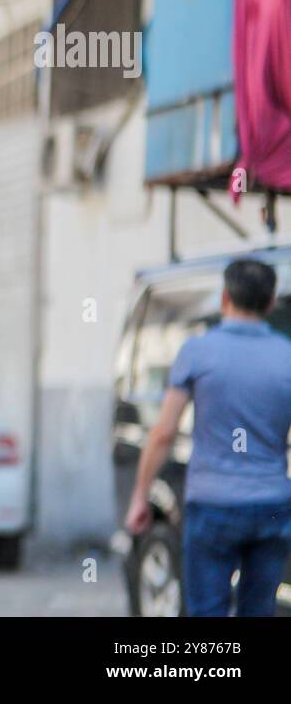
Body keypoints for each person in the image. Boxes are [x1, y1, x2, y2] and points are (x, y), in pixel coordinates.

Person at [124, 258, 291, 616]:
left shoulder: (197, 351)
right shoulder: (286, 355)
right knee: (260, 609)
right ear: (271, 301)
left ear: (224, 298)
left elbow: (164, 431)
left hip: (213, 504)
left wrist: (140, 496)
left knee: (207, 611)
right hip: (273, 507)